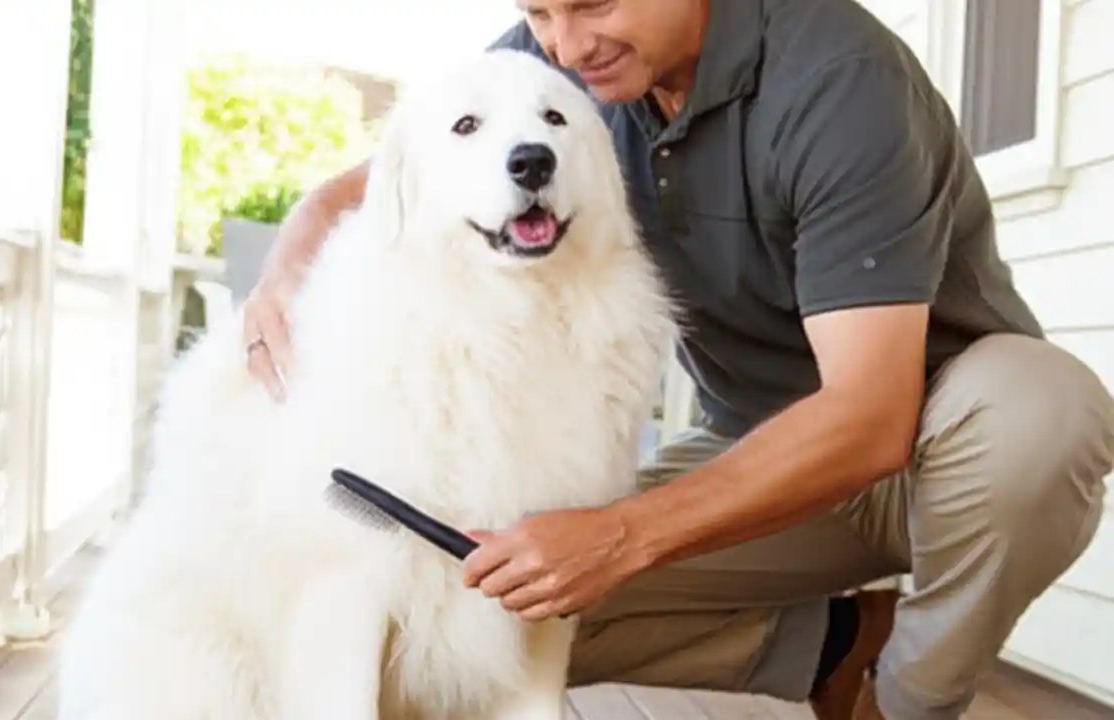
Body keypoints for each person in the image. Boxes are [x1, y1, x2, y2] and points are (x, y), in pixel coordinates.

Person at [239, 0, 1114, 718]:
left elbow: (871, 416)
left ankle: (905, 703)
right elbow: (394, 168)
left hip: (936, 444)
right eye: (540, 13)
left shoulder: (840, 80)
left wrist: (620, 536)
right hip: (761, 459)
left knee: (1043, 415)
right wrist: (285, 268)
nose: (567, 46)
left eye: (593, 4)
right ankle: (843, 646)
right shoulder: (566, 68)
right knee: (490, 595)